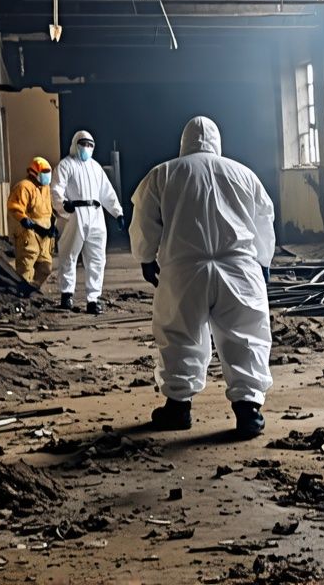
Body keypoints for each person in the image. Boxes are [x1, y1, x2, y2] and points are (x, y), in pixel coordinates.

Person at [129, 116, 276, 438]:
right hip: (238, 267)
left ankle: (178, 406)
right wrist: (263, 261)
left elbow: (144, 220)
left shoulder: (163, 174)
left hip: (184, 268)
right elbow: (264, 220)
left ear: (184, 143)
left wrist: (144, 256)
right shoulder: (244, 175)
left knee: (179, 334)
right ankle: (248, 410)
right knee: (246, 335)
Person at [51, 130, 124, 315]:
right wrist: (62, 204)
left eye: (90, 145)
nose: (87, 148)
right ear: (76, 144)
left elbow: (107, 193)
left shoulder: (95, 168)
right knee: (69, 254)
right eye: (84, 144)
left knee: (97, 258)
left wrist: (117, 213)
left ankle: (93, 299)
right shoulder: (66, 165)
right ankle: (67, 294)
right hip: (76, 213)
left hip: (96, 215)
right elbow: (56, 188)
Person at [6, 157, 57, 287]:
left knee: (45, 268)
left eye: (48, 172)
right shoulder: (24, 187)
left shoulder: (46, 188)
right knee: (25, 268)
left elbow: (49, 209)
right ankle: (22, 295)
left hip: (45, 236)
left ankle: (33, 289)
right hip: (29, 234)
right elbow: (14, 206)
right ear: (33, 172)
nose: (46, 176)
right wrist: (23, 219)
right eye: (44, 172)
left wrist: (52, 225)